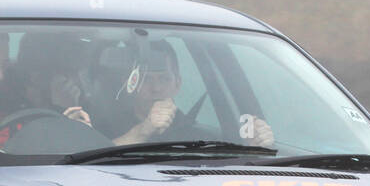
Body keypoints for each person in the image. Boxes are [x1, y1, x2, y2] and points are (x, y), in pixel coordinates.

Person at [111, 40, 275, 149]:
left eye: (165, 78)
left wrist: (252, 148)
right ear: (130, 84)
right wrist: (143, 131)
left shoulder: (195, 136)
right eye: (147, 79)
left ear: (177, 85)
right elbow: (90, 162)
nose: (156, 88)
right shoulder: (106, 124)